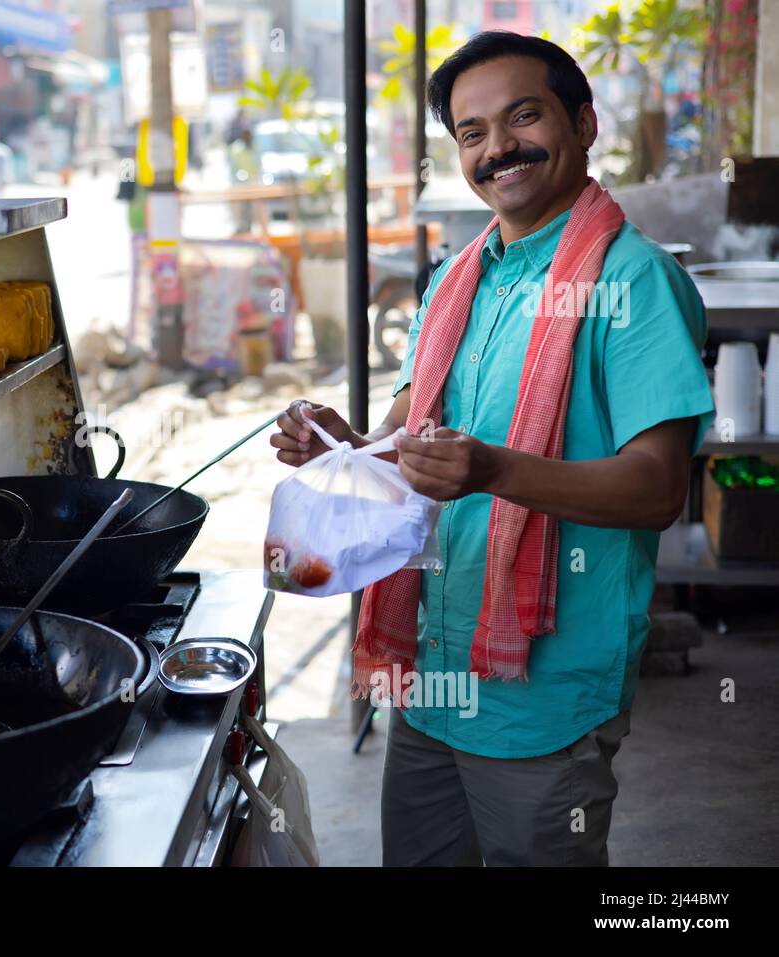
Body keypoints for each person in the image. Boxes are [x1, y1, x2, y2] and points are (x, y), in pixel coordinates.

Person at [270, 32, 714, 866]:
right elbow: (412, 427)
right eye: (471, 133)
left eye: (522, 116)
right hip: (432, 672)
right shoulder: (460, 274)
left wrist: (494, 471)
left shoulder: (632, 281)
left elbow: (657, 490)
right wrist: (348, 444)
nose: (497, 147)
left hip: (541, 690)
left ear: (582, 123)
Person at [228, 128, 260, 234]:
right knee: (240, 207)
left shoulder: (255, 148)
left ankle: (252, 227)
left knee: (255, 207)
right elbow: (234, 168)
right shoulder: (237, 149)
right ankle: (241, 226)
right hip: (241, 183)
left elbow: (258, 166)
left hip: (253, 182)